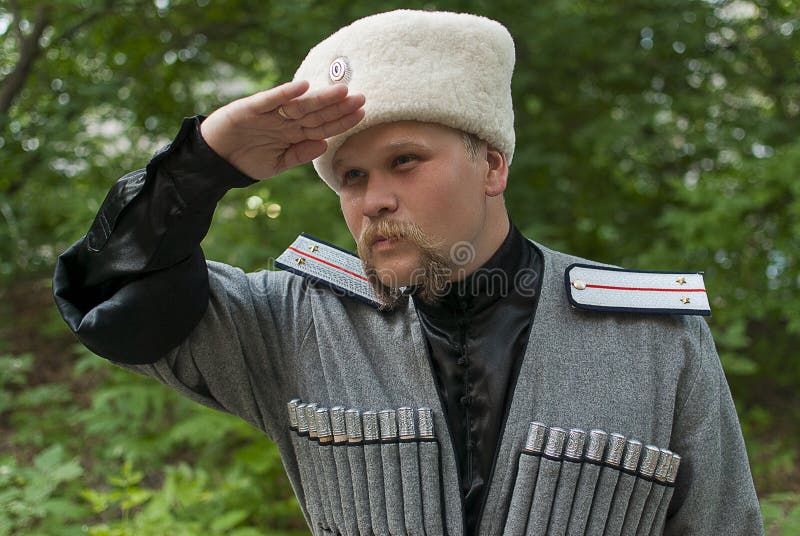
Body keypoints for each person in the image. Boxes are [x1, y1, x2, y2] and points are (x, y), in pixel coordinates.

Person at [53, 9, 763, 536]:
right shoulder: (296, 325)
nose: (373, 199)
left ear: (491, 164)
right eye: (351, 176)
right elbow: (112, 300)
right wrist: (203, 163)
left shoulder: (653, 340)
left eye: (403, 161)